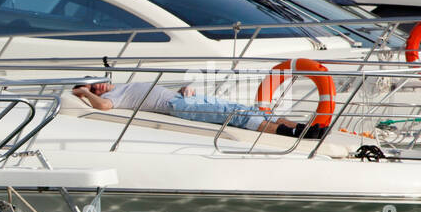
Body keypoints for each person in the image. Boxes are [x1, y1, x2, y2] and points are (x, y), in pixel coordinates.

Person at [71, 81, 325, 139]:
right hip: (178, 107)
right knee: (237, 117)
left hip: (184, 99)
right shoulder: (110, 96)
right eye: (95, 86)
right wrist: (84, 92)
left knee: (249, 110)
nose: (99, 84)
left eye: (96, 81)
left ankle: (303, 129)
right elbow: (103, 107)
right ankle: (288, 134)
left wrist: (184, 88)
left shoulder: (122, 85)